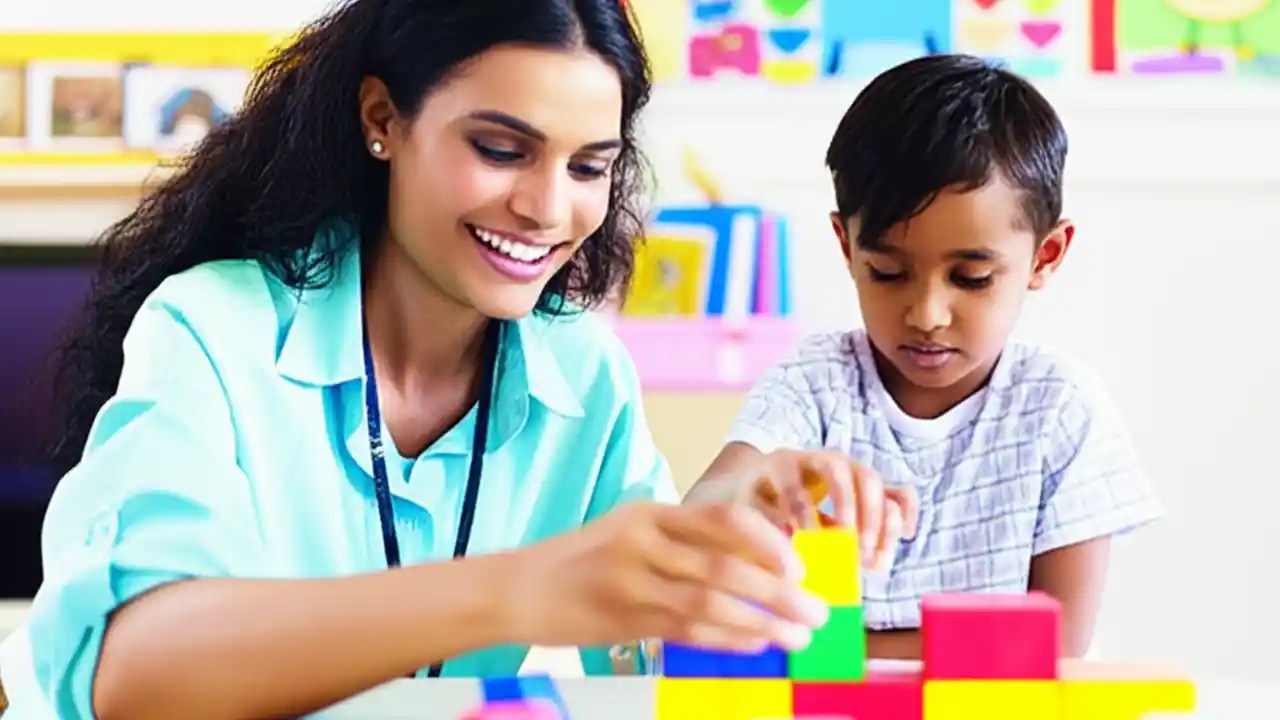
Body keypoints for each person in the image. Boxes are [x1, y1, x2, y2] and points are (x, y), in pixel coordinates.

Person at [2, 2, 917, 720]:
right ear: (381, 121)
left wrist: (739, 547)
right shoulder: (215, 327)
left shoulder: (583, 376)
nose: (548, 208)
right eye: (499, 149)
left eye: (589, 166)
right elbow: (141, 683)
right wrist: (522, 592)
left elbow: (644, 654)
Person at [686, 54, 1164, 661]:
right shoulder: (814, 385)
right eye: (887, 272)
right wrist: (758, 485)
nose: (927, 314)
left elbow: (1055, 647)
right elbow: (697, 519)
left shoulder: (1060, 408)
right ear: (846, 245)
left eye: (971, 277)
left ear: (1044, 257)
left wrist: (838, 650)